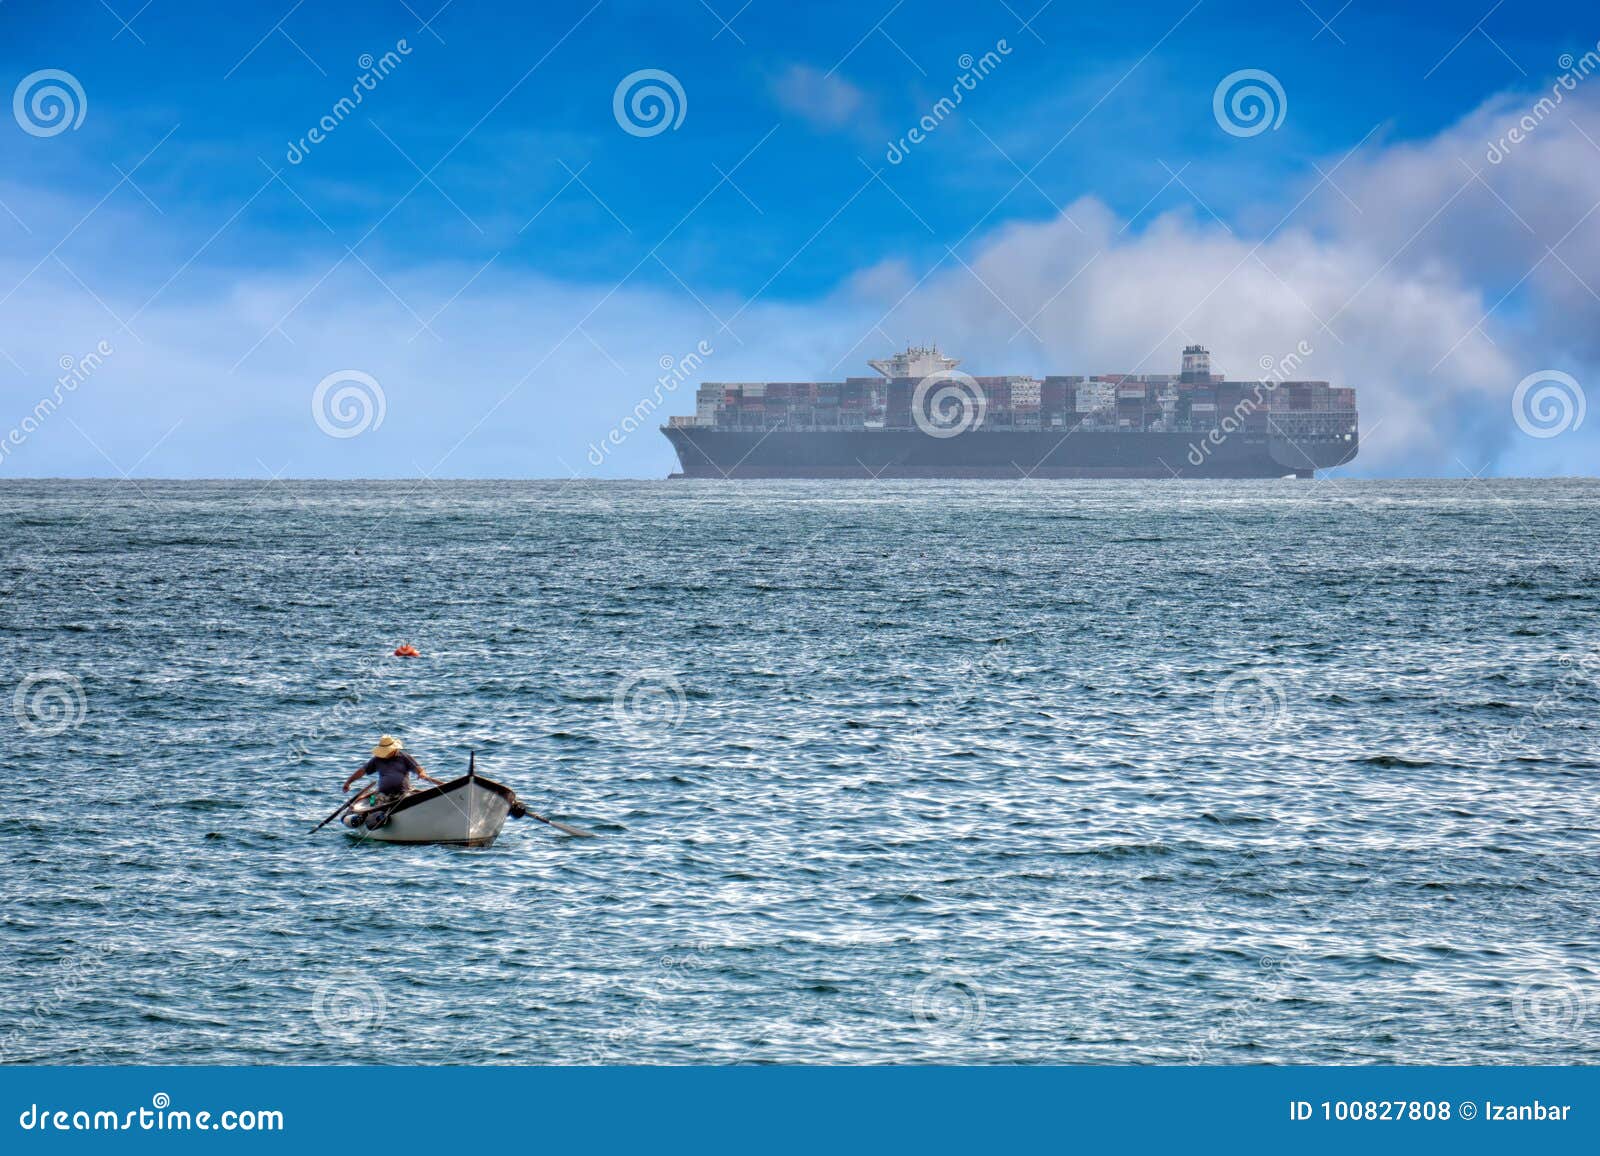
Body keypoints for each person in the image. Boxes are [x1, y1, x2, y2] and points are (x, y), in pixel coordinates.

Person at [342, 735, 442, 804]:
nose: (384, 754)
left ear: (393, 749)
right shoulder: (377, 760)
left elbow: (418, 769)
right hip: (383, 794)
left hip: (403, 793)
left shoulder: (404, 757)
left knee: (412, 798)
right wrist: (348, 782)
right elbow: (361, 771)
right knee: (373, 801)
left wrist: (421, 774)